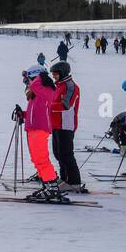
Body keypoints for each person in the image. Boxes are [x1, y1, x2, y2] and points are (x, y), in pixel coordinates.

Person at [19, 65, 61, 201]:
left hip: (40, 129)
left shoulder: (47, 90)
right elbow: (35, 113)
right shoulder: (36, 95)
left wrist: (38, 76)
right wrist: (23, 114)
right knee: (36, 158)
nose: (28, 83)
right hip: (32, 128)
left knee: (42, 159)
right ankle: (47, 184)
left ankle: (53, 188)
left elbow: (36, 86)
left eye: (30, 79)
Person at [49, 61, 82, 190]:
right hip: (57, 124)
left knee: (66, 154)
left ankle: (74, 182)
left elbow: (66, 105)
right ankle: (64, 179)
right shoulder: (59, 86)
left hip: (66, 124)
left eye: (55, 74)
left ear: (62, 73)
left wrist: (49, 106)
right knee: (58, 153)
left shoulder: (70, 86)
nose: (53, 76)